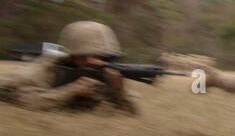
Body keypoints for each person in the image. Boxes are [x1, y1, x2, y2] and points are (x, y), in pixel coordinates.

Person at [0, 21, 138, 114]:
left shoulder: (108, 74)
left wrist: (119, 91)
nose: (101, 63)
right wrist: (70, 91)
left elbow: (131, 113)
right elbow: (27, 101)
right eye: (91, 56)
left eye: (106, 58)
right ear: (73, 56)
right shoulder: (47, 69)